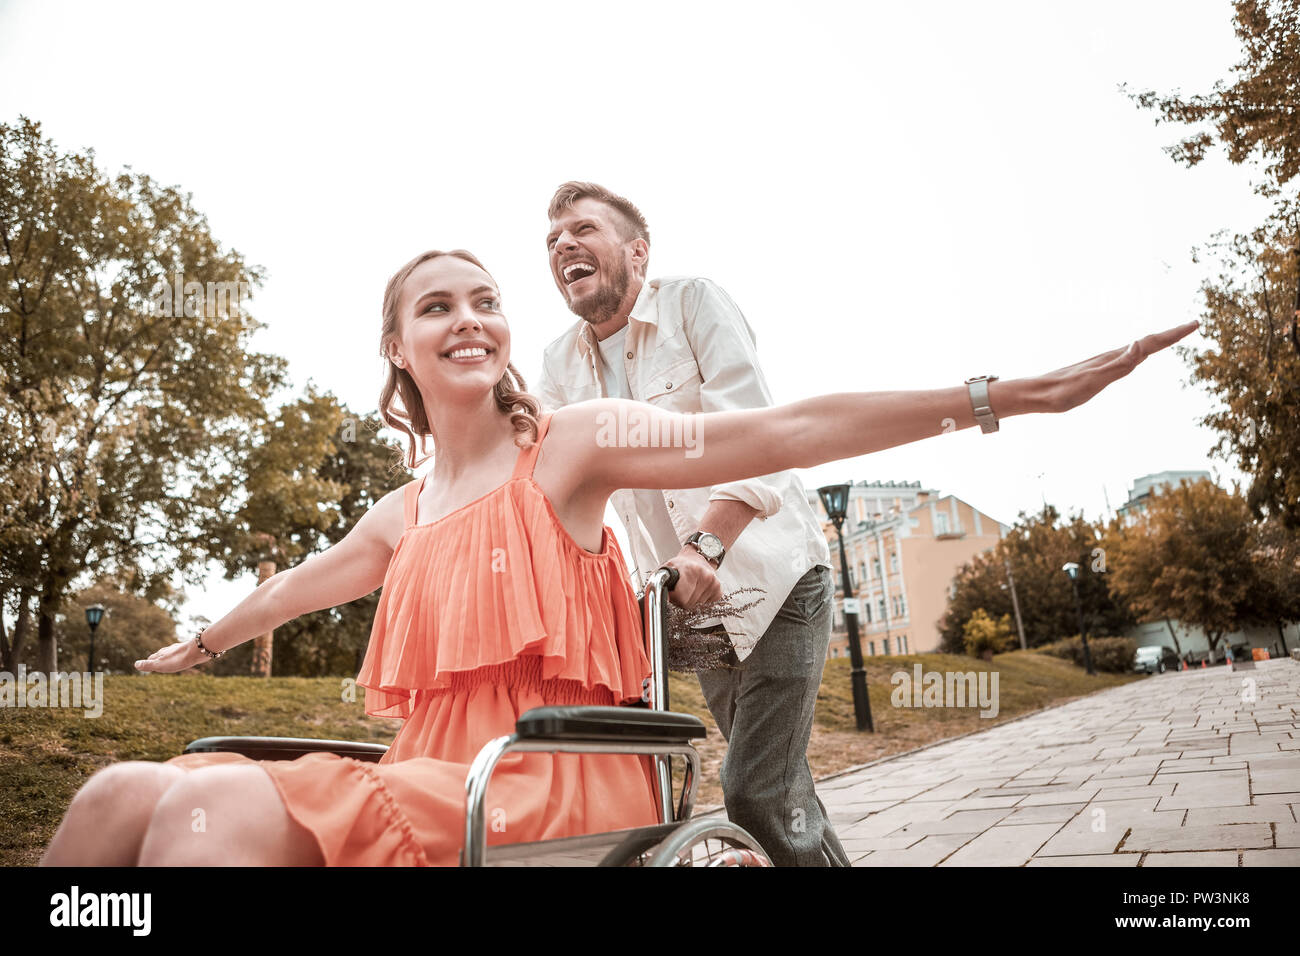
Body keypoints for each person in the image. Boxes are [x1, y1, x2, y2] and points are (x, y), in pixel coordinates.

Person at [39, 246, 1197, 866]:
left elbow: (775, 433)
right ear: (395, 346)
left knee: (220, 813)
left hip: (547, 770)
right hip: (427, 766)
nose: (471, 319)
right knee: (123, 793)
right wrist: (202, 637)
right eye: (435, 305)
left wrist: (1001, 397)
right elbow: (297, 586)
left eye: (485, 300)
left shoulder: (574, 448)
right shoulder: (402, 510)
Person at [535, 181, 847, 866]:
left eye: (583, 230)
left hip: (775, 575)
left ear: (636, 252)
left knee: (756, 789)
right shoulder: (558, 364)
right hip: (685, 606)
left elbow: (762, 438)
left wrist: (705, 545)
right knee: (781, 787)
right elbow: (551, 484)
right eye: (553, 240)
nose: (563, 246)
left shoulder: (693, 303)